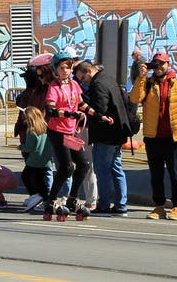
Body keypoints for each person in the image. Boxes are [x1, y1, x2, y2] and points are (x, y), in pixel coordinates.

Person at [130, 51, 177, 220]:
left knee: (176, 175)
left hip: (173, 138)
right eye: (156, 64)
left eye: (162, 64)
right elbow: (134, 99)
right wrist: (141, 77)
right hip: (153, 138)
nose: (159, 67)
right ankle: (159, 206)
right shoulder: (147, 83)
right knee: (156, 175)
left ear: (168, 65)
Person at [44, 50, 95, 219]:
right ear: (55, 69)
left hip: (70, 132)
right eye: (61, 68)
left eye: (67, 67)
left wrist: (99, 116)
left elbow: (81, 105)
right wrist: (69, 115)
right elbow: (50, 110)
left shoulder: (73, 85)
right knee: (67, 167)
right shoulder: (53, 87)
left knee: (84, 164)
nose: (65, 70)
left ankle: (72, 199)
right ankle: (51, 201)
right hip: (57, 132)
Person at [77, 61, 131, 215]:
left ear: (88, 70)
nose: (83, 82)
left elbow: (101, 109)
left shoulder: (98, 84)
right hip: (118, 132)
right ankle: (121, 205)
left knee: (102, 170)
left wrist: (94, 115)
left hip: (105, 134)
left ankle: (104, 204)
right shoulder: (108, 78)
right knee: (116, 168)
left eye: (82, 78)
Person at [18, 106, 53, 213]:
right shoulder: (46, 128)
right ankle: (46, 199)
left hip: (34, 160)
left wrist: (21, 147)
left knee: (25, 176)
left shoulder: (32, 131)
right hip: (45, 159)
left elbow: (29, 148)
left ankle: (35, 195)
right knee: (40, 181)